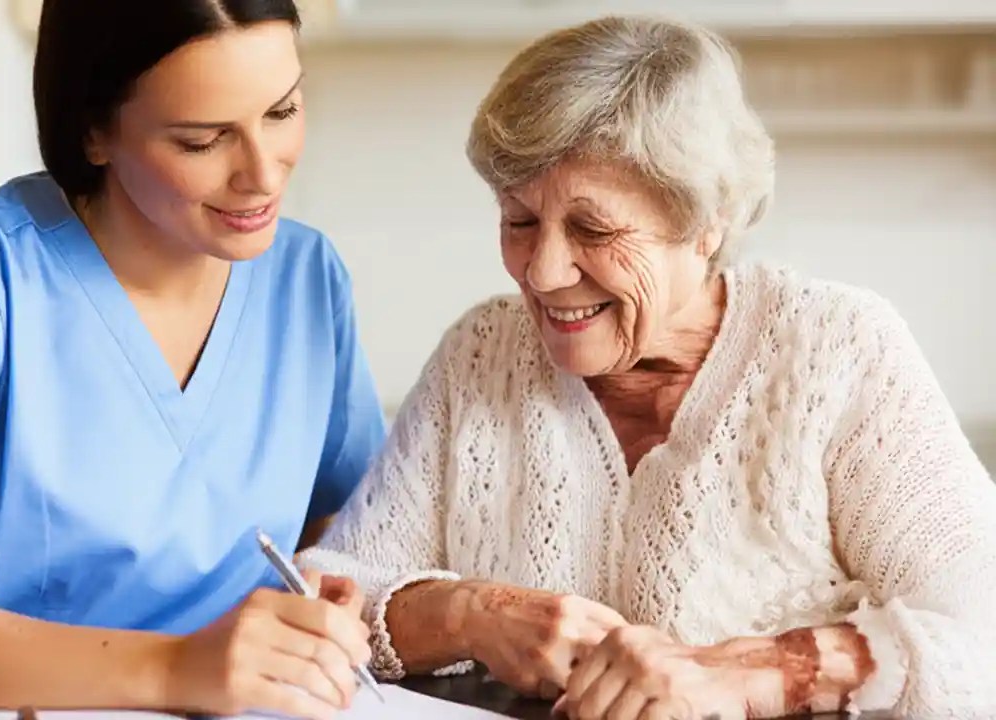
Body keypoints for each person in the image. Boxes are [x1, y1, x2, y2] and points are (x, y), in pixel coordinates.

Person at [300, 14, 996, 720]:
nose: (542, 272)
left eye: (593, 229)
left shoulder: (837, 349)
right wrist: (475, 613)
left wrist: (739, 675)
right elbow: (327, 588)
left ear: (707, 224)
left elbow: (982, 630)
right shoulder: (482, 353)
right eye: (519, 221)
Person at [0, 2, 385, 718]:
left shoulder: (308, 277)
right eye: (202, 141)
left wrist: (336, 594)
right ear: (94, 132)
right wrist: (173, 669)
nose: (262, 173)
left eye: (283, 111)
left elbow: (342, 545)